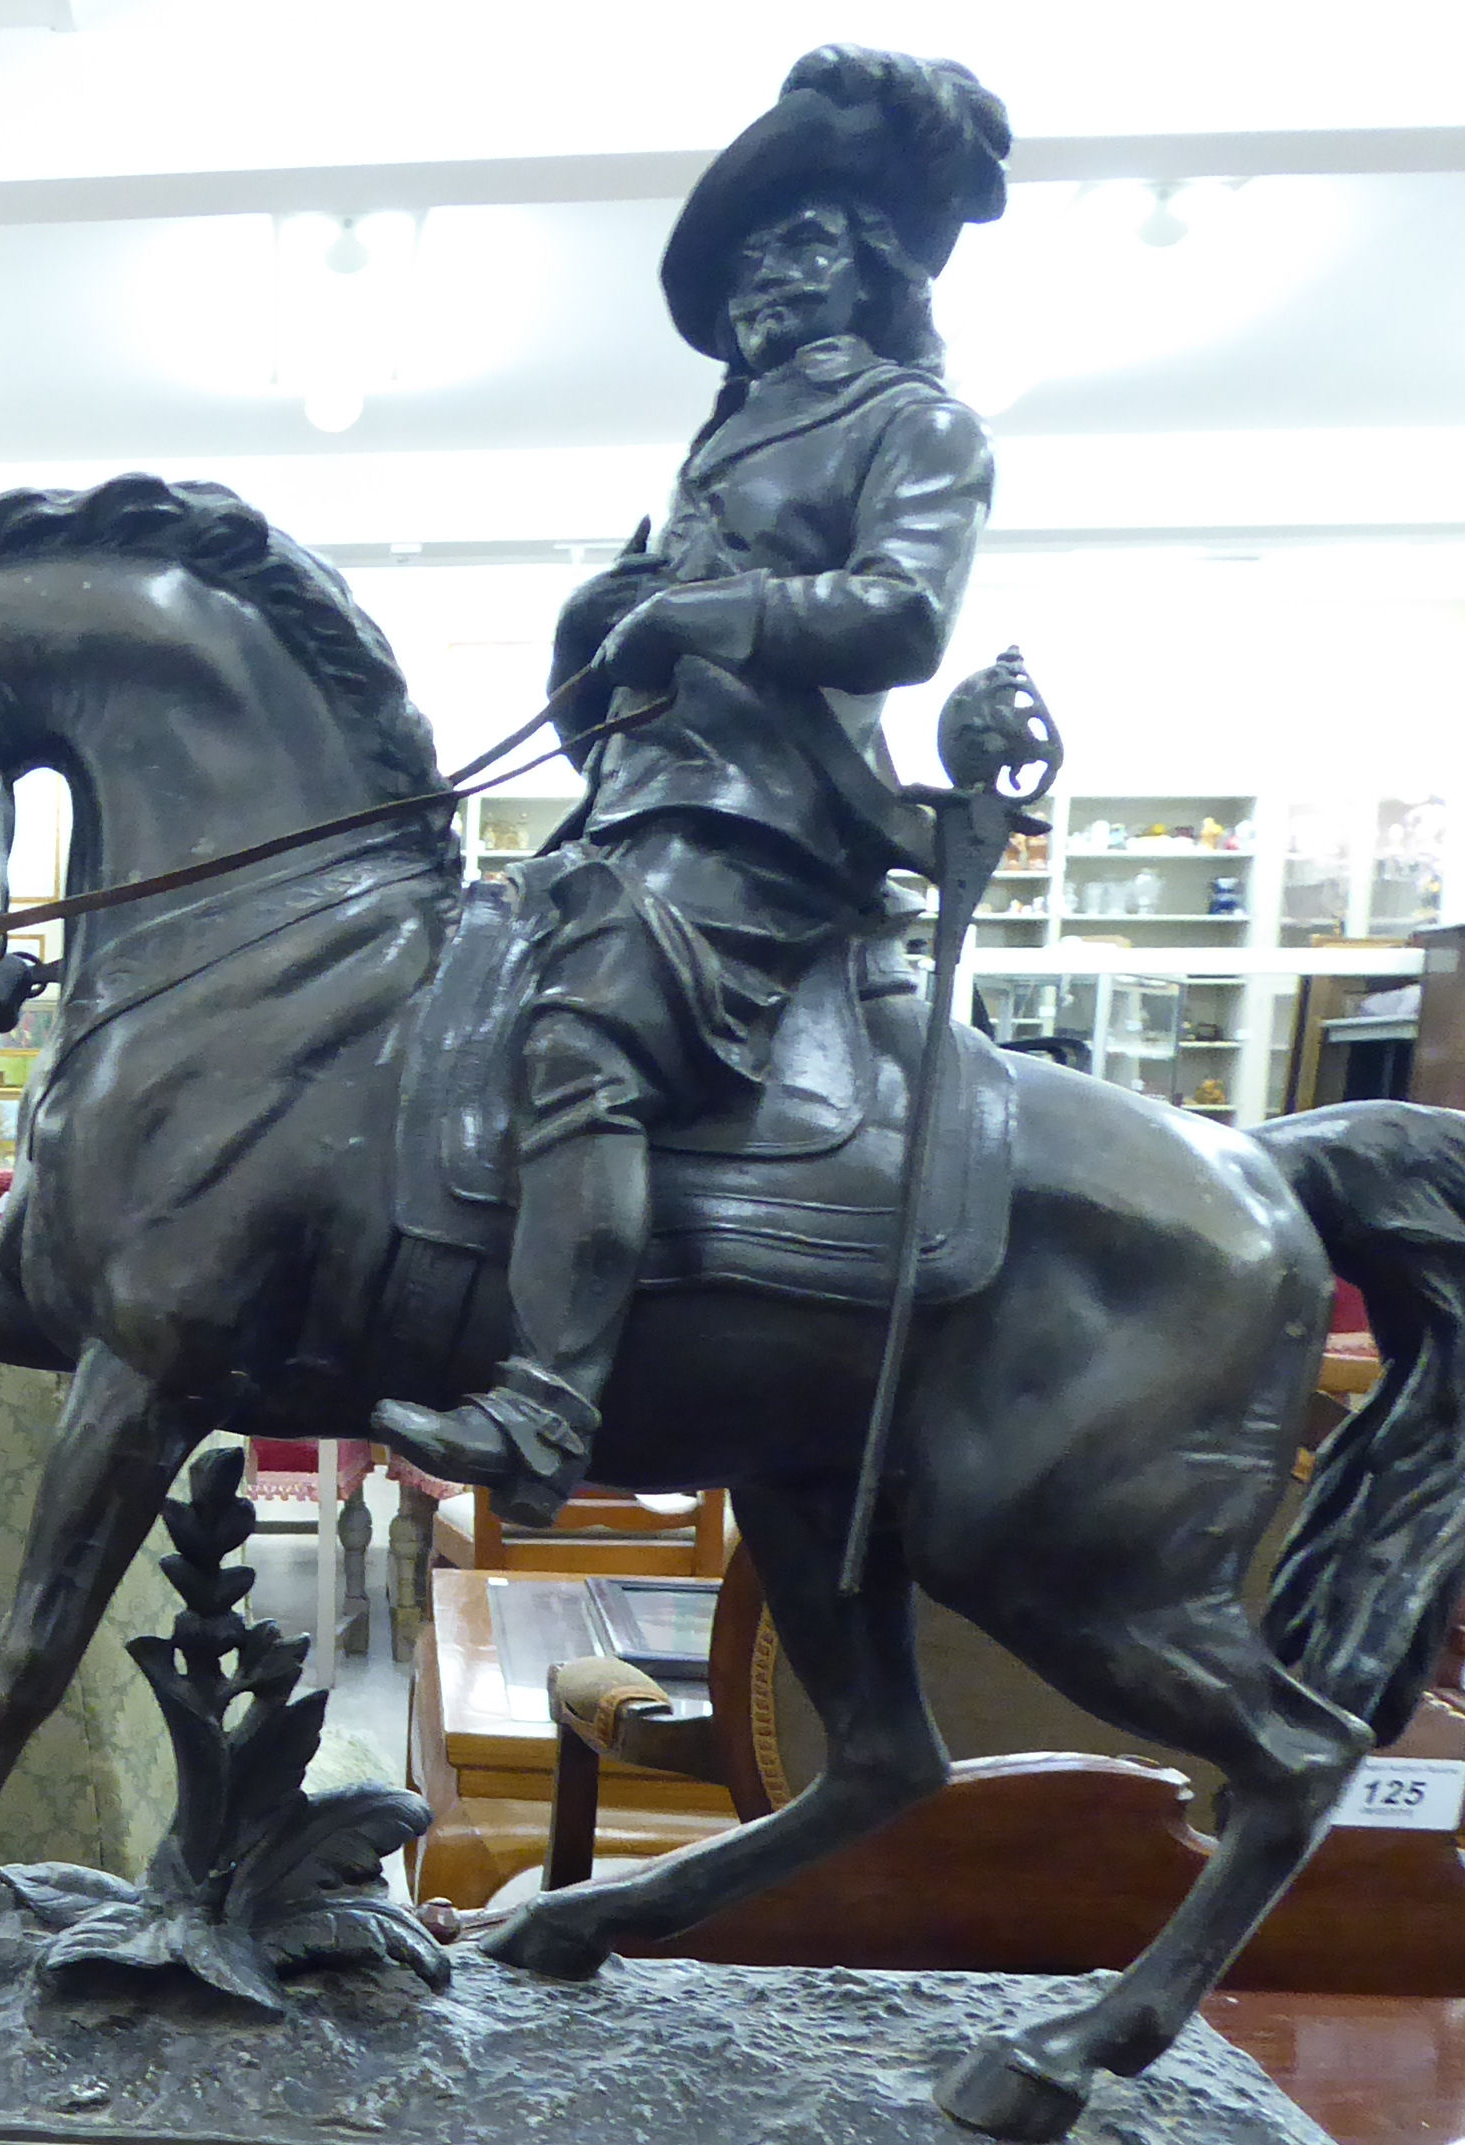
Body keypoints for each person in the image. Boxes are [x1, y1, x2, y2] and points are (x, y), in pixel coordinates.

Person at [374, 48, 1012, 1522]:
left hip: (767, 825)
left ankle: (546, 1404)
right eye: (745, 260)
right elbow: (660, 644)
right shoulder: (724, 433)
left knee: (583, 1040)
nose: (761, 281)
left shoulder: (917, 426)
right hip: (648, 805)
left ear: (868, 268)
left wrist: (700, 613)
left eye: (793, 247)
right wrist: (610, 617)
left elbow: (903, 616)